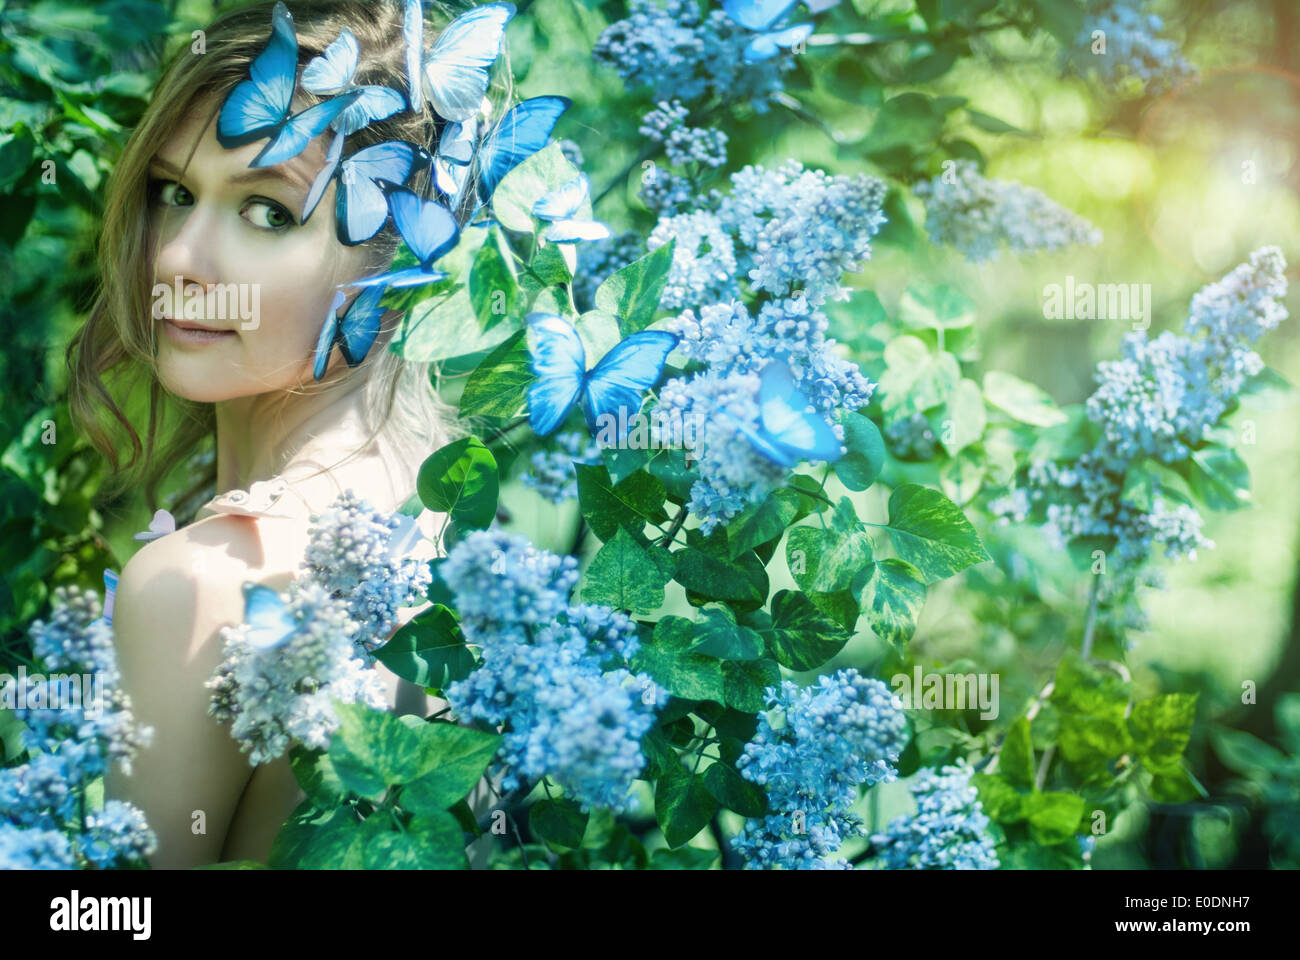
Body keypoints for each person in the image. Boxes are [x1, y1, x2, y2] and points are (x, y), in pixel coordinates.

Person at [64, 0, 499, 869]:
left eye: (268, 212)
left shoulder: (200, 583)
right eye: (172, 192)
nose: (177, 259)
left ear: (401, 258)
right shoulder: (444, 514)